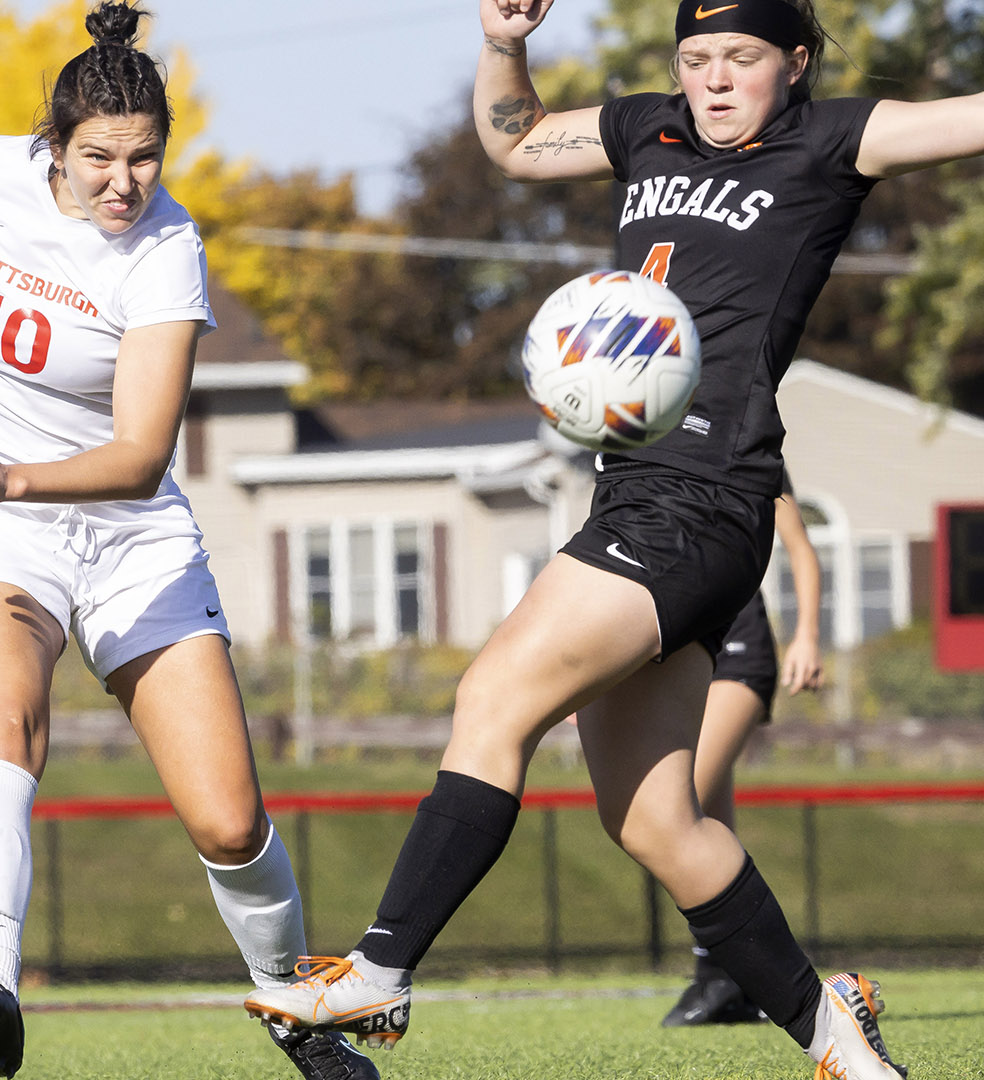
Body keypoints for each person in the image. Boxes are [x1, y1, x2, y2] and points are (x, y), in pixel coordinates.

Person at [246, 3, 984, 1078]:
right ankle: (843, 1048)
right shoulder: (645, 127)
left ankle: (380, 973)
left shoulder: (833, 141)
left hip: (704, 497)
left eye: (743, 59)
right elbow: (510, 138)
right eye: (696, 60)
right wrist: (504, 41)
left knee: (493, 698)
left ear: (799, 63)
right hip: (642, 501)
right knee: (653, 822)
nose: (717, 81)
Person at [0, 5, 375, 1079]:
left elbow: (142, 456)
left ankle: (298, 1013)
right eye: (99, 156)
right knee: (2, 718)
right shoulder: (4, 172)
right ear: (55, 146)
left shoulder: (168, 253)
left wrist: (13, 467)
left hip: (130, 540)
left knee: (231, 823)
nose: (122, 183)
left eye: (145, 159)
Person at [664, 468, 825, 1027]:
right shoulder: (650, 441)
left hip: (738, 651)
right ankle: (728, 979)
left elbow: (800, 548)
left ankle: (742, 974)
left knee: (683, 801)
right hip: (676, 650)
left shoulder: (755, 448)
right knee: (710, 819)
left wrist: (806, 634)